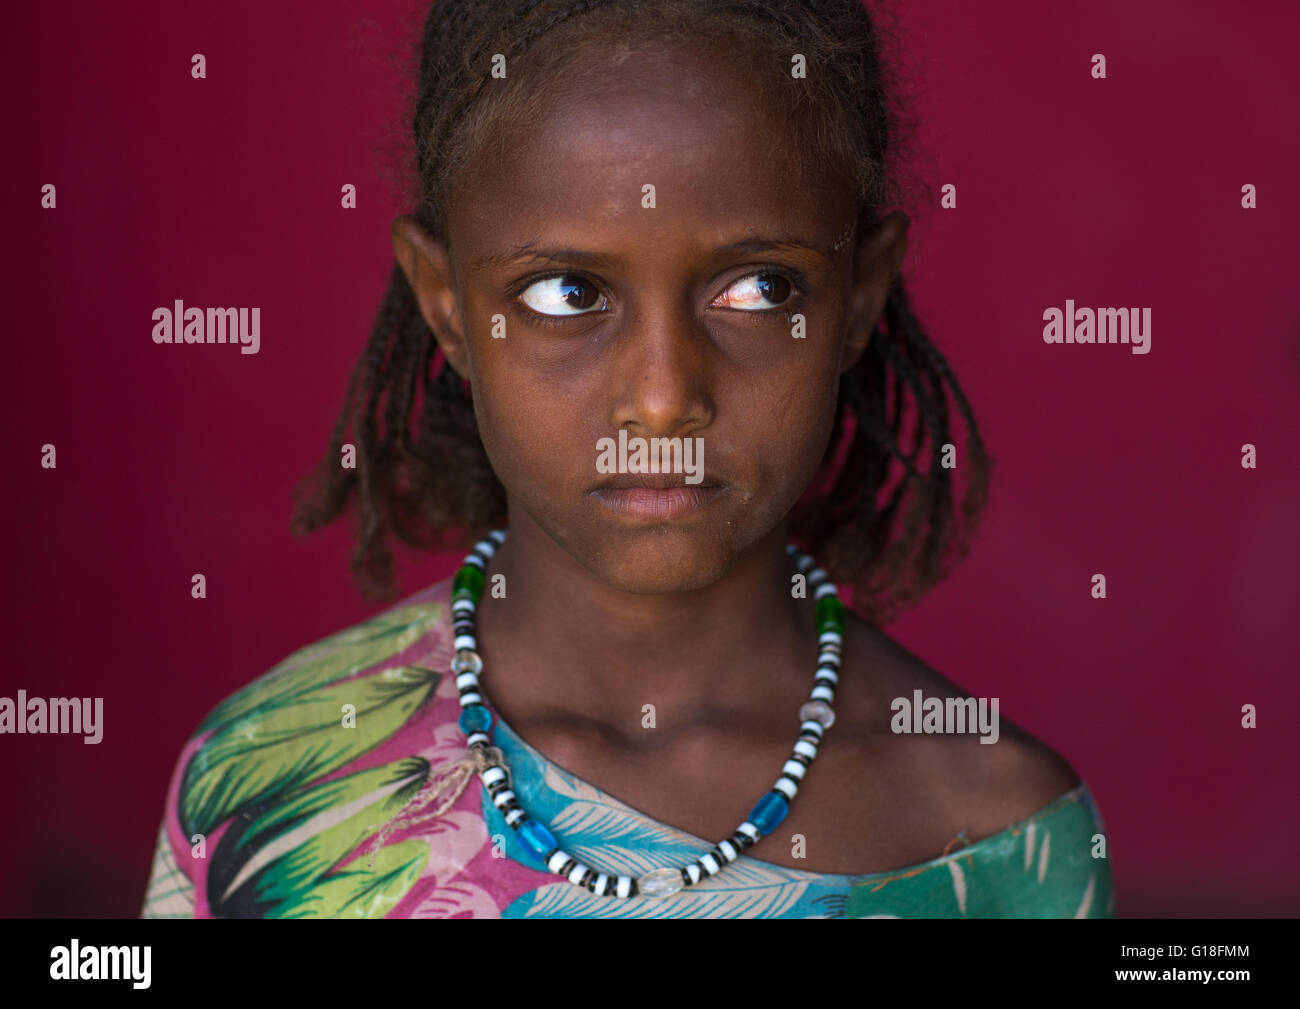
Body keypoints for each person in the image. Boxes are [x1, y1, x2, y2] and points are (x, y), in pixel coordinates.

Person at [142, 0, 1113, 919]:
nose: (660, 393)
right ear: (445, 306)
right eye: (566, 293)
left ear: (857, 297)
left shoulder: (998, 834)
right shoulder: (274, 781)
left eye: (759, 286)